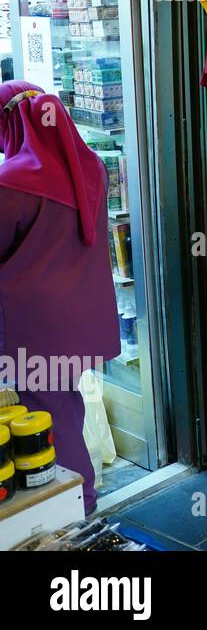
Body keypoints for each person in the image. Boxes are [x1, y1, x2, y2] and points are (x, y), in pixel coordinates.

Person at [0, 81, 120, 513]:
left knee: (44, 422)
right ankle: (78, 498)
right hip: (81, 321)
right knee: (65, 409)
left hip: (34, 327)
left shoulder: (11, 183)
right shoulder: (89, 169)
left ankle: (76, 508)